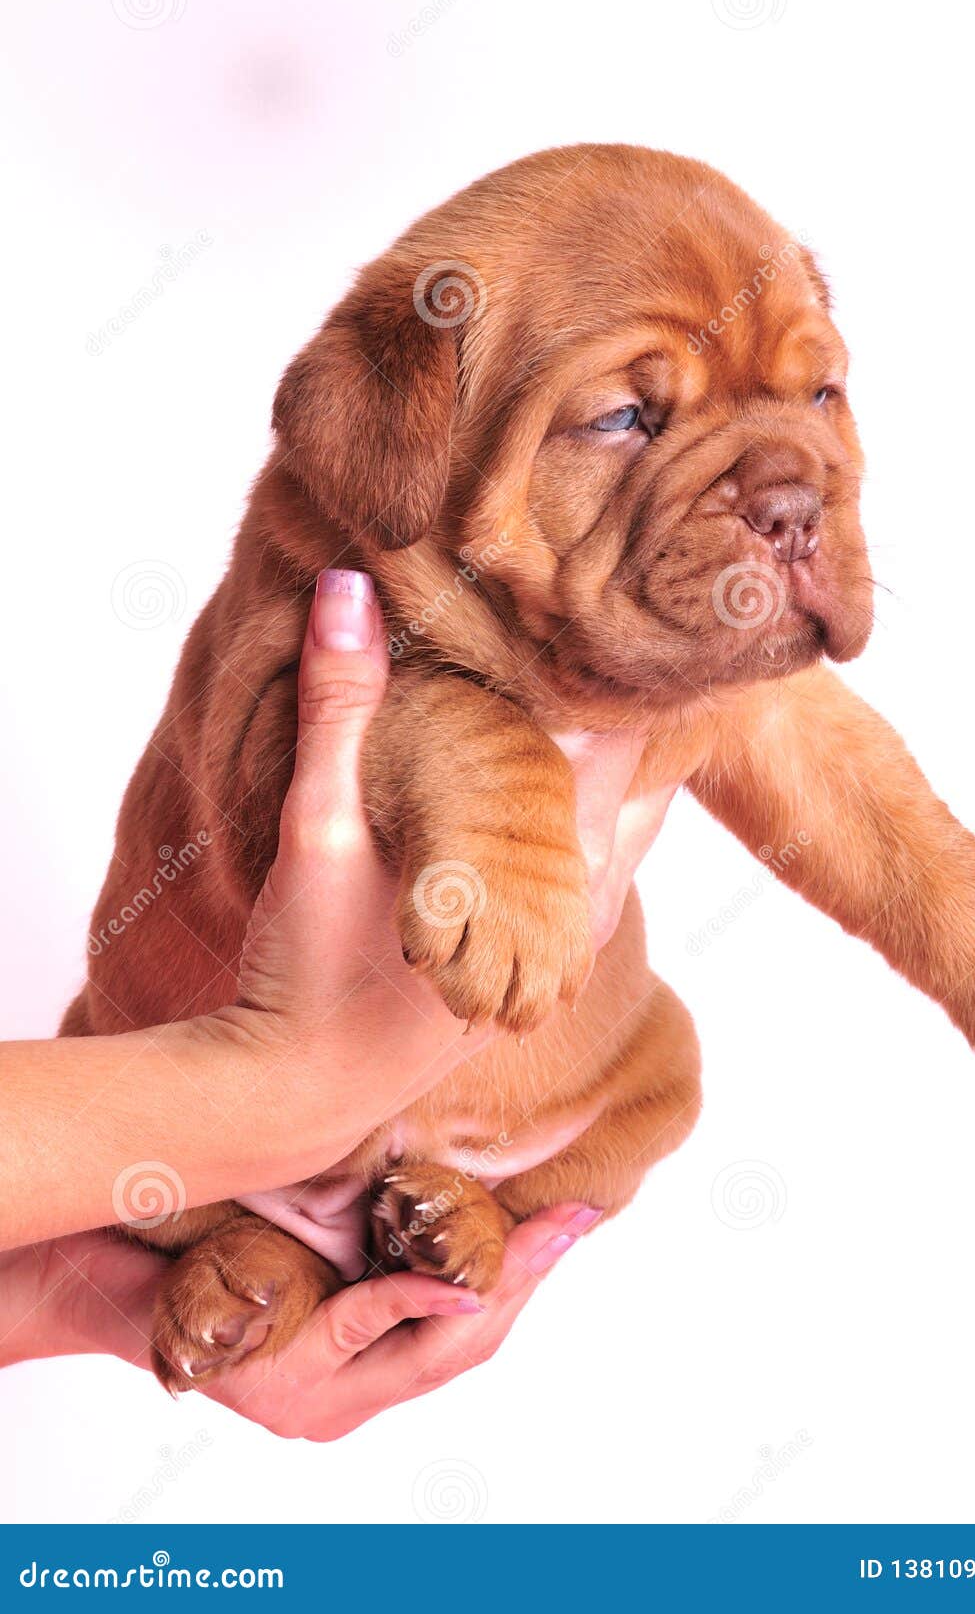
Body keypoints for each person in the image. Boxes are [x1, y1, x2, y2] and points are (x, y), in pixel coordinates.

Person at [0, 570, 673, 1439]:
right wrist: (286, 1096)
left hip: (531, 1128)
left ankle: (332, 1230)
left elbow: (805, 742)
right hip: (201, 1170)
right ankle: (271, 1238)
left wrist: (59, 1297)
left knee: (652, 1088)